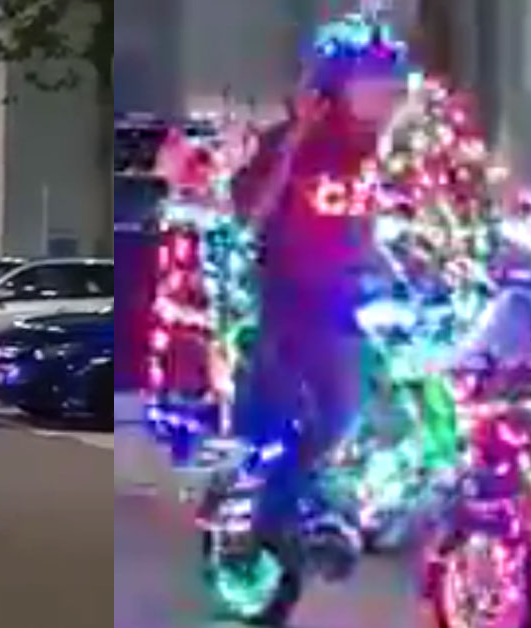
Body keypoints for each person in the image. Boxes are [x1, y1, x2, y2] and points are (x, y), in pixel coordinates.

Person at [225, 13, 415, 530]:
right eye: (372, 83)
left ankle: (362, 499)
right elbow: (250, 210)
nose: (385, 97)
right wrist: (293, 143)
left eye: (391, 85)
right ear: (338, 86)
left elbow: (394, 223)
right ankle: (273, 509)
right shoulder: (294, 141)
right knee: (323, 408)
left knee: (393, 396)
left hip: (352, 297)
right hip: (292, 297)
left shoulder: (383, 155)